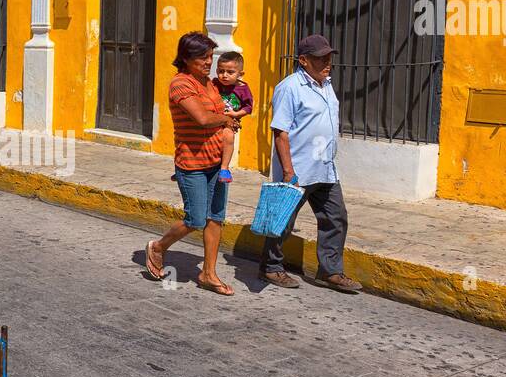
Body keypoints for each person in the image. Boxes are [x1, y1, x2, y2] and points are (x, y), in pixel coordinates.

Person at [259, 33, 362, 293]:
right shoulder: (290, 87)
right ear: (303, 60)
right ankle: (271, 267)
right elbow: (280, 131)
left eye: (328, 57)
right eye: (320, 59)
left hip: (325, 168)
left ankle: (331, 272)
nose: (327, 63)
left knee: (336, 218)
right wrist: (288, 171)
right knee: (283, 219)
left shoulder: (326, 84)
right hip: (299, 168)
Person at [144, 31, 242, 295]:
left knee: (215, 219)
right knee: (196, 219)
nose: (209, 62)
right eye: (203, 57)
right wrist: (225, 120)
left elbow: (220, 110)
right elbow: (202, 118)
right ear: (186, 58)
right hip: (192, 163)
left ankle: (208, 274)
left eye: (211, 56)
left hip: (216, 162)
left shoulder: (209, 84)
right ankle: (158, 247)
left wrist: (228, 117)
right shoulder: (181, 84)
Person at [212, 50, 253, 184]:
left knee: (228, 137)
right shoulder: (214, 84)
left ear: (240, 74)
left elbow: (248, 108)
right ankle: (186, 167)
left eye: (230, 72)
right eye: (221, 71)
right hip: (212, 120)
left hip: (229, 122)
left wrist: (235, 114)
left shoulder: (243, 89)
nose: (224, 75)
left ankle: (224, 168)